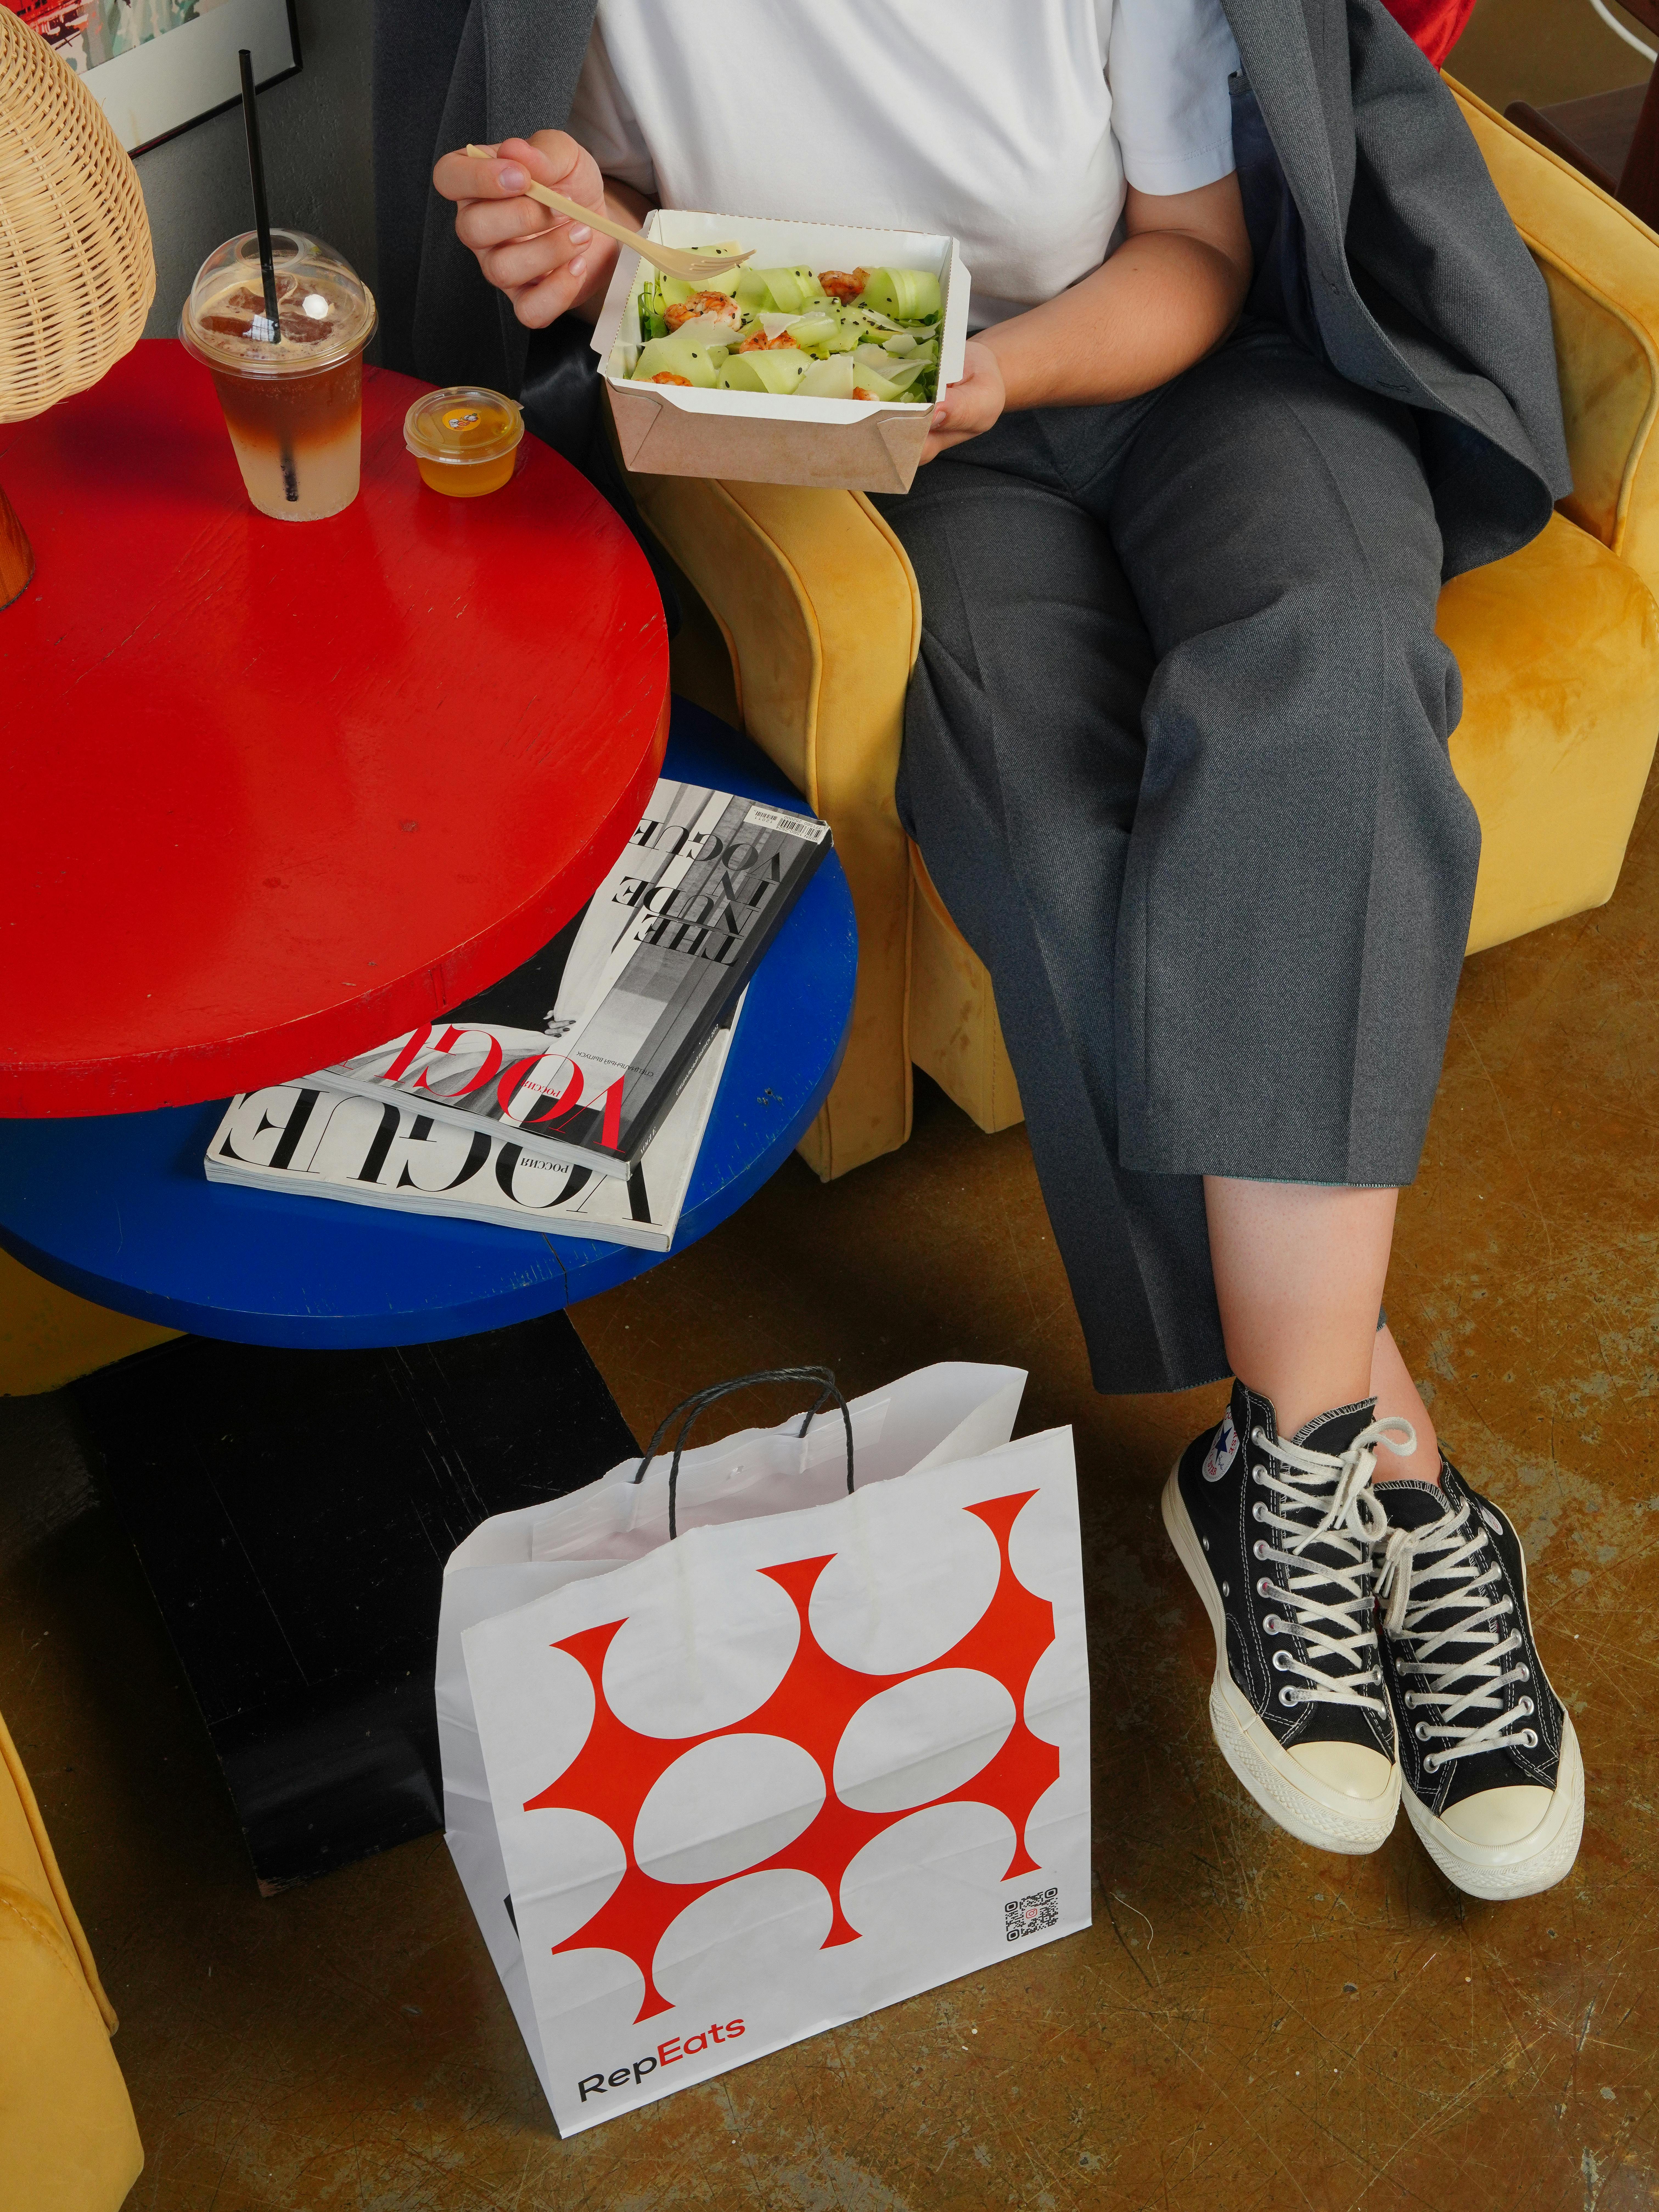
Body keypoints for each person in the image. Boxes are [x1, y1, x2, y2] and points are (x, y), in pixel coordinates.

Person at [378, 0, 1584, 1900]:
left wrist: (996, 369)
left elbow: (1194, 254)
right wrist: (581, 237)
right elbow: (623, 236)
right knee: (1068, 848)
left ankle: (1288, 1455)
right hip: (918, 455)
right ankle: (1373, 1464)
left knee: (1335, 669)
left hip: (1201, 372)